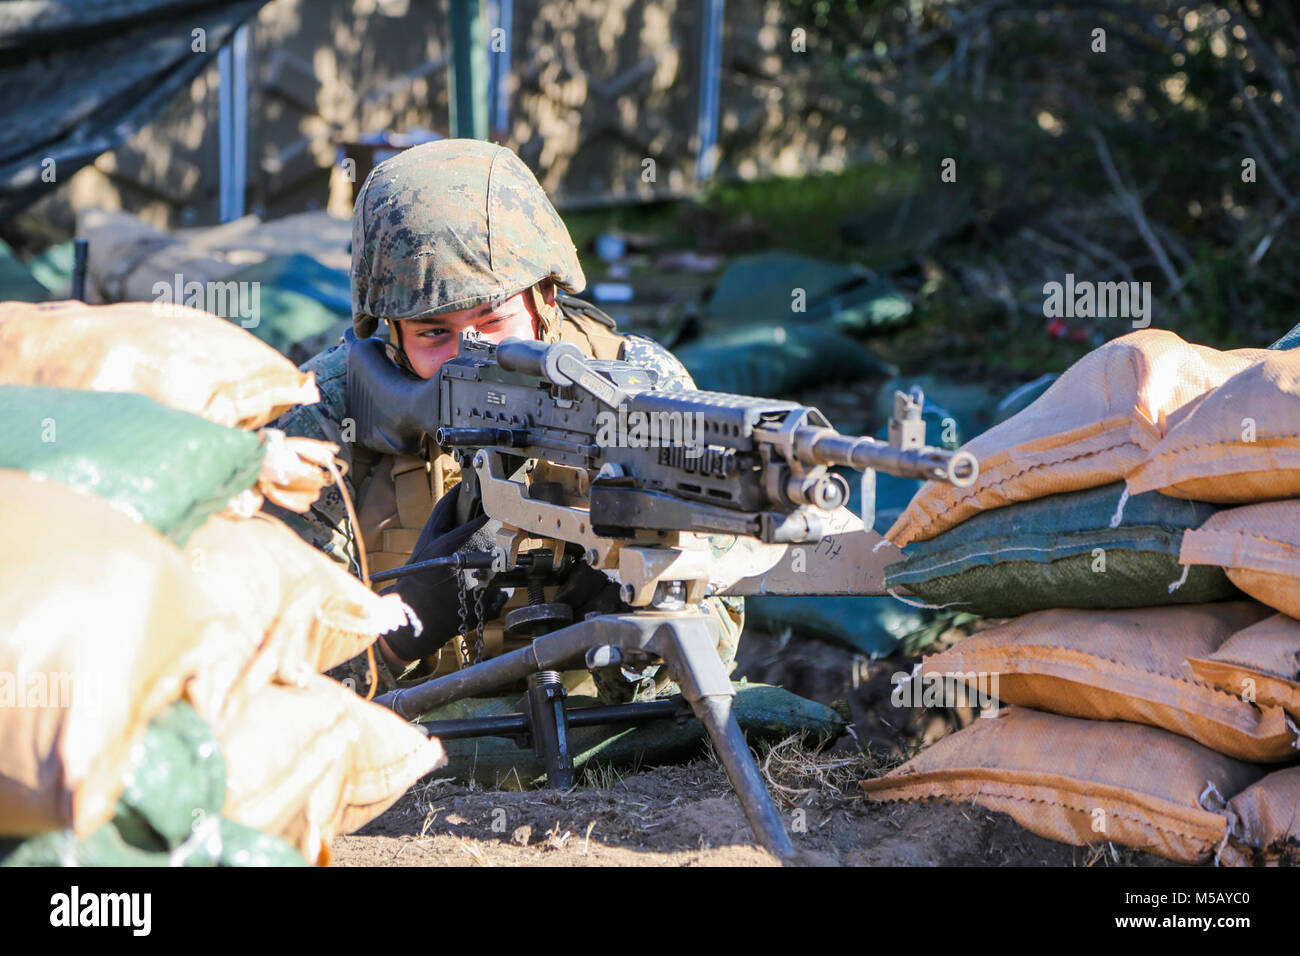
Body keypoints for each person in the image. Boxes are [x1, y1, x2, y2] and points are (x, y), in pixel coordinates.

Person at [269, 138, 742, 699]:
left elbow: (718, 625)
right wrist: (399, 632)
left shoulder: (635, 387)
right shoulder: (322, 418)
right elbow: (273, 664)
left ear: (544, 299)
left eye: (491, 321)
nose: (467, 354)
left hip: (596, 736)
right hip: (404, 742)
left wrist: (636, 627)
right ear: (389, 332)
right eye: (432, 333)